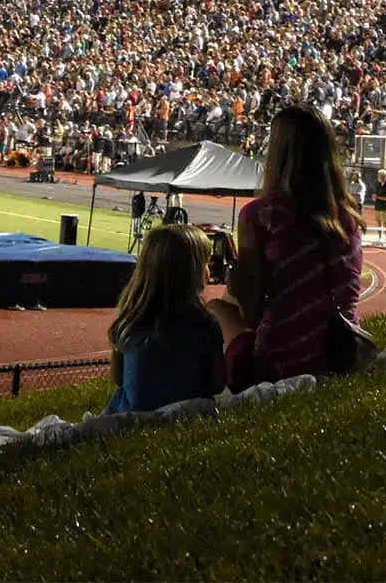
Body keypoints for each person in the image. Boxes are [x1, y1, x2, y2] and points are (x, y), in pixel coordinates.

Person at [206, 104, 364, 391]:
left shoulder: (260, 216)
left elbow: (249, 311)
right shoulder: (349, 217)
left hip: (278, 364)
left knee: (216, 309)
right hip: (343, 351)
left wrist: (234, 280)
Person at [102, 225, 225, 415]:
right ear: (192, 272)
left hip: (129, 417)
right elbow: (217, 384)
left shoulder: (129, 321)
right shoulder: (206, 324)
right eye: (205, 263)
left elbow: (118, 378)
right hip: (187, 416)